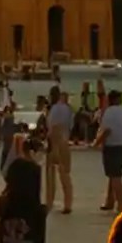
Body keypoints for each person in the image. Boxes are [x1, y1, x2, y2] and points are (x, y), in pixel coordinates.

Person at [95, 90, 122, 213]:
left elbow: (106, 131)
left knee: (115, 176)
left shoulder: (108, 113)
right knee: (114, 174)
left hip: (112, 146)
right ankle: (110, 201)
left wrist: (95, 143)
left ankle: (121, 205)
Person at [45, 86, 75, 214]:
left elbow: (54, 127)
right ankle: (68, 203)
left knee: (50, 174)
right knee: (65, 174)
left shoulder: (55, 109)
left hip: (55, 142)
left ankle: (49, 202)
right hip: (65, 141)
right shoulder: (68, 109)